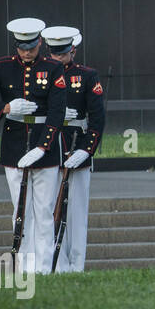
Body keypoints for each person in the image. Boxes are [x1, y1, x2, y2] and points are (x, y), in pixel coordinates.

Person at [0, 17, 66, 273]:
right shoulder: (2, 67)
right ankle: (24, 268)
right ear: (16, 45)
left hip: (46, 147)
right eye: (22, 47)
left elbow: (57, 111)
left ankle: (43, 269)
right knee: (20, 211)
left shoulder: (53, 68)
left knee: (43, 212)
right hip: (15, 144)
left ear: (39, 43)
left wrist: (43, 146)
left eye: (31, 46)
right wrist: (5, 108)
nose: (27, 52)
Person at [41, 25, 104, 272]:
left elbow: (97, 119)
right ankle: (55, 266)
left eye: (63, 54)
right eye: (54, 54)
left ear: (73, 51)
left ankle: (76, 266)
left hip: (75, 145)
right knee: (49, 210)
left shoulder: (87, 76)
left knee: (76, 214)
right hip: (47, 149)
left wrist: (86, 150)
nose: (57, 58)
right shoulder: (41, 73)